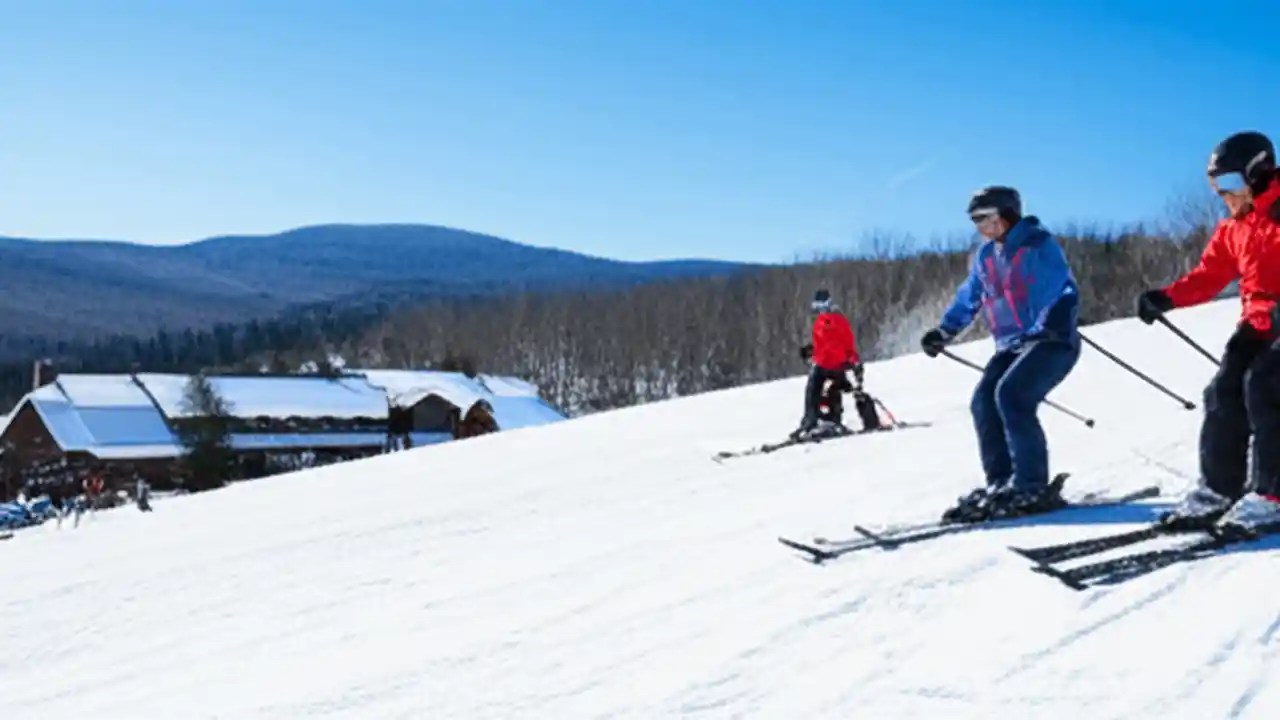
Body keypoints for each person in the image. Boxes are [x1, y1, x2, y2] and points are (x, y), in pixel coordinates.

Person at [1138, 130, 1280, 535]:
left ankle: (1272, 494)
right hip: (1258, 323)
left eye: (1232, 184)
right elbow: (1210, 275)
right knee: (1222, 393)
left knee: (1265, 385)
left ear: (1259, 172)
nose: (1225, 195)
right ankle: (1220, 489)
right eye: (1218, 188)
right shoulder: (1235, 227)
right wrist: (1167, 297)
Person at [920, 186, 1082, 521]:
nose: (981, 227)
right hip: (1011, 345)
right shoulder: (985, 257)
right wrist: (945, 331)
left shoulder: (1037, 245)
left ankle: (1031, 484)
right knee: (983, 402)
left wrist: (1055, 318)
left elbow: (1061, 286)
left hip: (1051, 340)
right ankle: (1001, 482)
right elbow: (970, 297)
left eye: (986, 219)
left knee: (1012, 396)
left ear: (1008, 214)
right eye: (975, 221)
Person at [792, 289, 866, 439]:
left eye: (823, 306)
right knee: (814, 387)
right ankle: (812, 420)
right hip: (825, 363)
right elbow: (824, 345)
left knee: (823, 387)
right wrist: (812, 351)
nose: (821, 310)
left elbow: (844, 345)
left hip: (836, 365)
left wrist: (853, 362)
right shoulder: (821, 322)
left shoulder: (835, 321)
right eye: (818, 307)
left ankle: (826, 420)